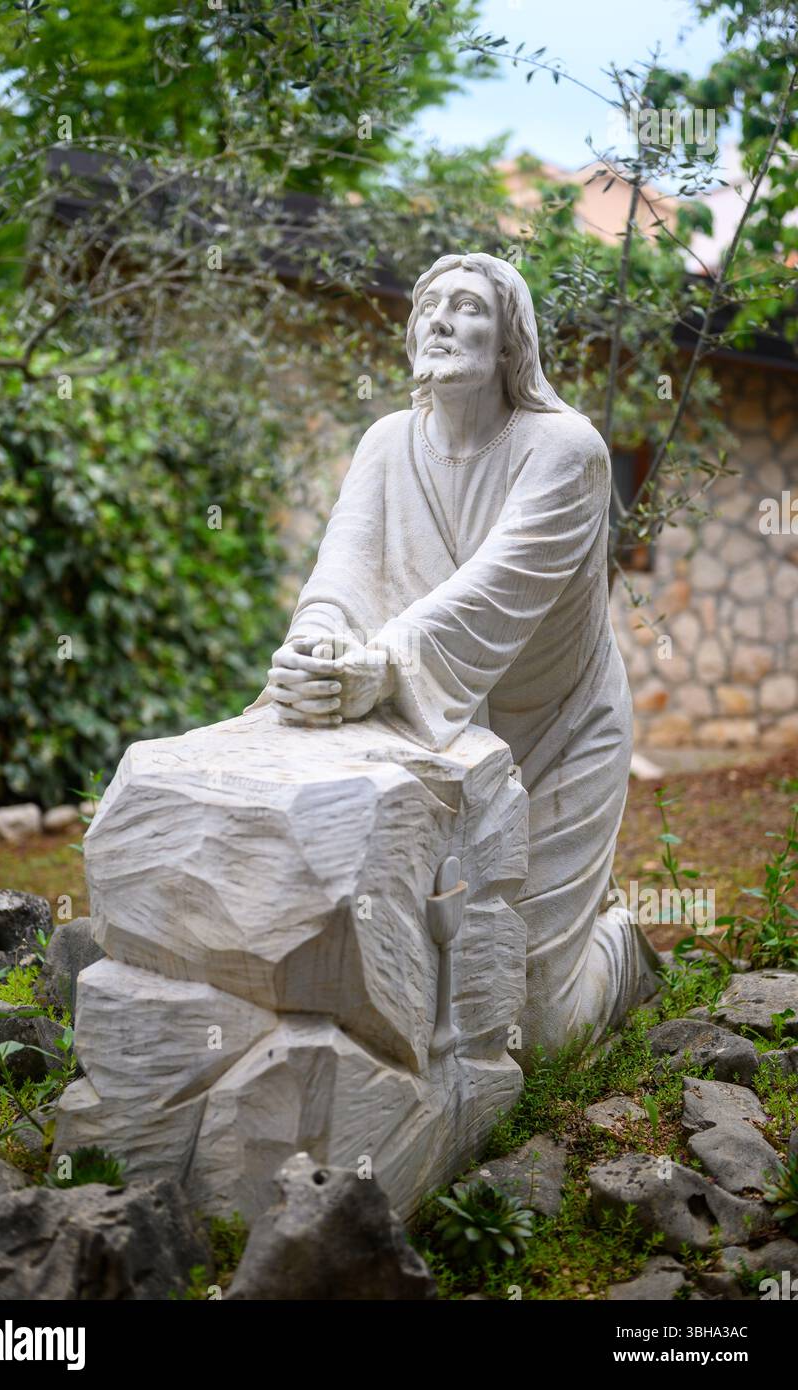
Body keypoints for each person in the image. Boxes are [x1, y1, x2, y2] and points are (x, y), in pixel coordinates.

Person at [250, 251, 659, 1067]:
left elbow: (493, 590)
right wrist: (316, 646)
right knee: (434, 973)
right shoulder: (386, 442)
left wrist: (378, 667)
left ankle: (621, 955)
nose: (438, 317)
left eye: (466, 305)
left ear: (511, 340)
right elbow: (344, 570)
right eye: (428, 304)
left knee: (534, 1025)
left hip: (562, 731)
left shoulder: (565, 449)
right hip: (441, 730)